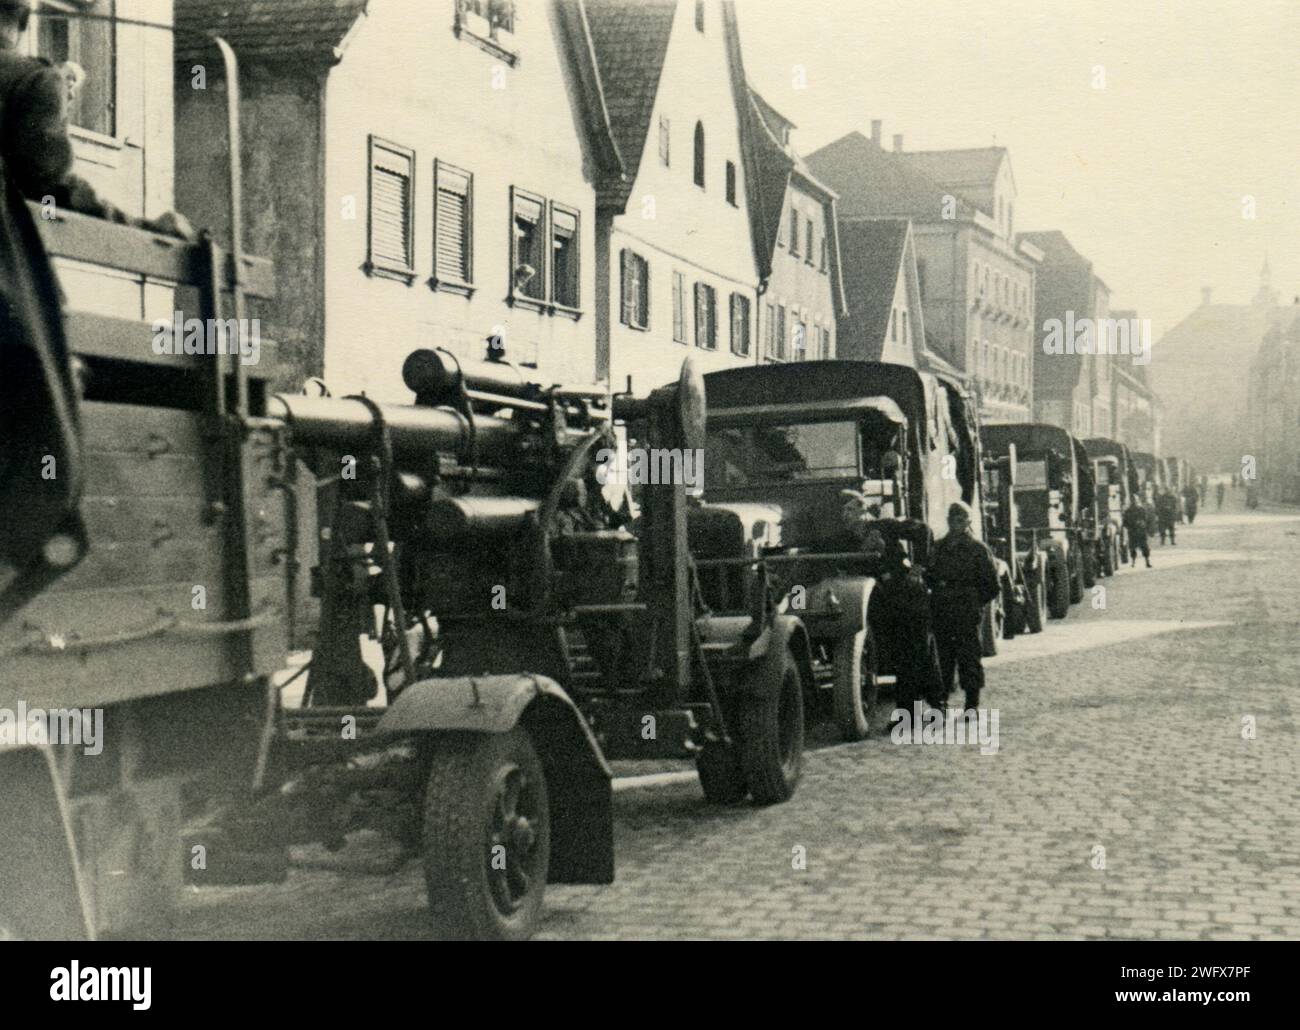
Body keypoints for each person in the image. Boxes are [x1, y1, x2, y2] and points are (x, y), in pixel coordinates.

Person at [924, 501, 999, 713]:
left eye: (960, 519)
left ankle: (971, 705)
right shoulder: (938, 548)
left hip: (967, 610)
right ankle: (941, 705)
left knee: (969, 657)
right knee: (943, 659)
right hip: (942, 608)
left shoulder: (978, 550)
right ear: (948, 521)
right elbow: (929, 577)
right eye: (952, 519)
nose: (956, 523)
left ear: (968, 522)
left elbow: (992, 586)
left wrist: (974, 602)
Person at [1122, 495, 1151, 568]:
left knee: (1144, 547)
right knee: (1132, 548)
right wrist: (1130, 526)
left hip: (1141, 531)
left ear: (1137, 501)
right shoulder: (1127, 511)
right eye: (1132, 500)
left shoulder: (1142, 509)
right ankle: (1133, 562)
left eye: (1135, 500)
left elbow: (1146, 519)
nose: (1134, 502)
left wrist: (1142, 524)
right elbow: (1125, 522)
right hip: (1132, 531)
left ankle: (1147, 561)